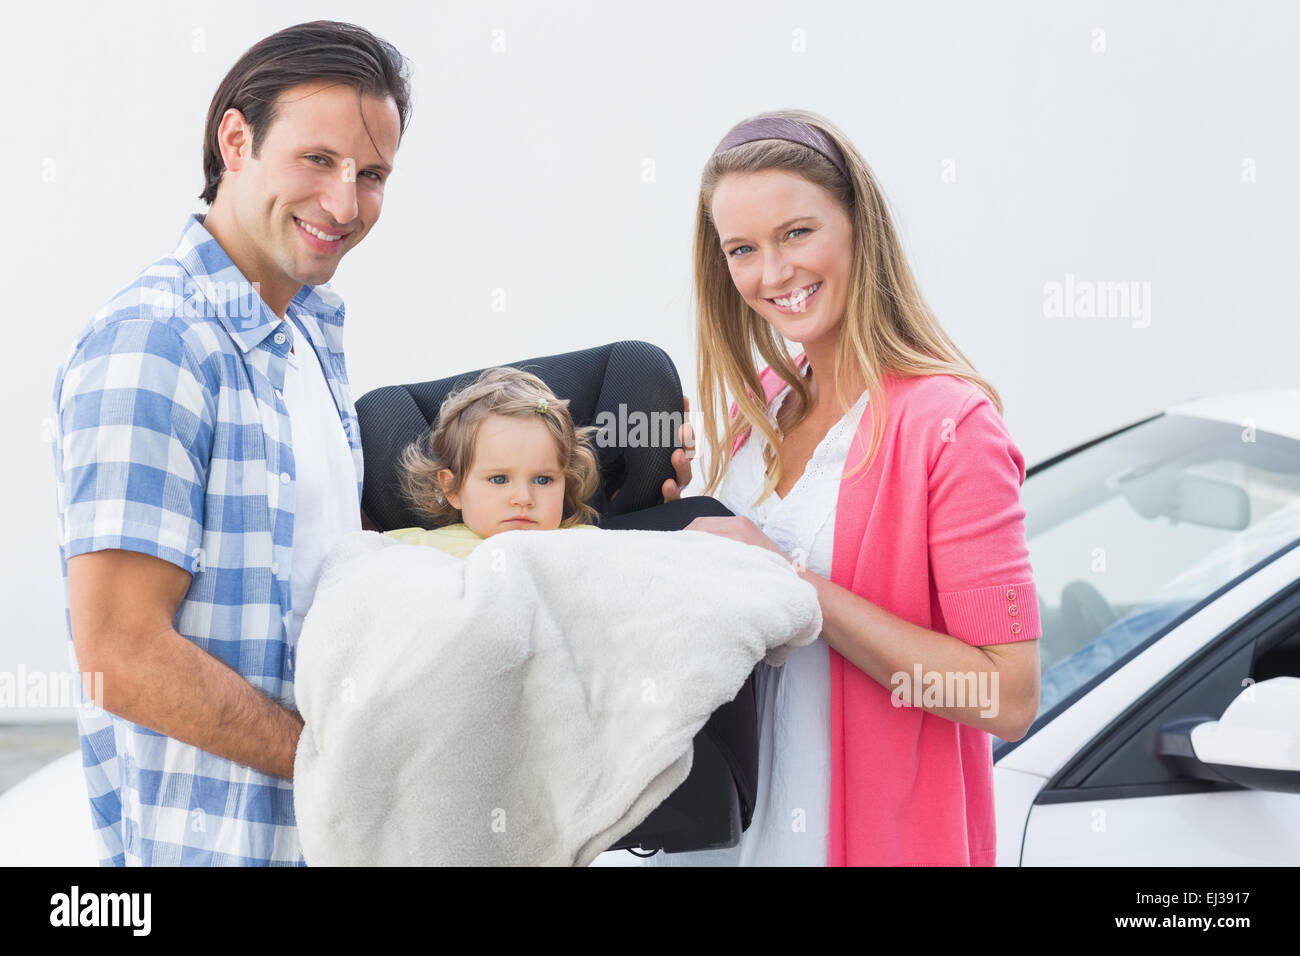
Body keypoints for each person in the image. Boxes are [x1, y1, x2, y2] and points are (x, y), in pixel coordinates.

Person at [49, 20, 695, 868]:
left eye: (373, 174)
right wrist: (339, 768)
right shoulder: (158, 343)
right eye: (318, 160)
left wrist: (658, 527)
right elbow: (121, 655)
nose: (346, 205)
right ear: (235, 140)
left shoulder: (305, 342)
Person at [651, 110, 1043, 867]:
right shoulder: (760, 406)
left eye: (797, 233)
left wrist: (791, 585)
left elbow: (1007, 695)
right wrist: (678, 536)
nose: (772, 275)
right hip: (725, 837)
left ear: (859, 225)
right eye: (743, 249)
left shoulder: (953, 427)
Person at [386, 366, 602, 556]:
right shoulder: (416, 548)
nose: (524, 498)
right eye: (499, 479)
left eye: (543, 480)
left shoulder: (589, 545)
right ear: (452, 488)